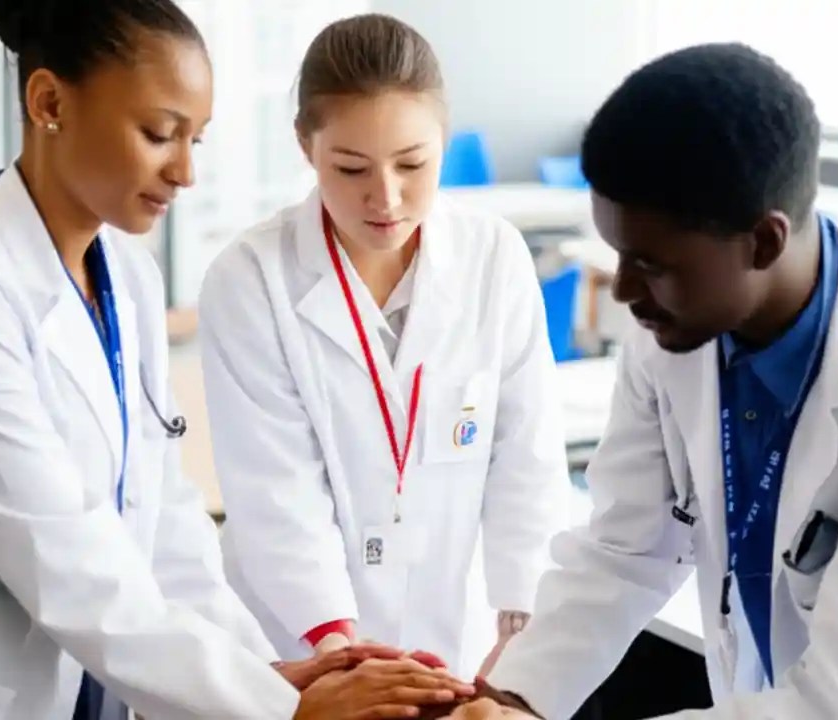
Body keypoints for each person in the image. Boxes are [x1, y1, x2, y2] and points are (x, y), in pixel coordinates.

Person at [0, 2, 474, 718]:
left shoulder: (127, 278)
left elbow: (162, 518)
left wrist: (259, 669)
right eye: (159, 134)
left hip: (65, 685)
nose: (187, 171)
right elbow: (63, 560)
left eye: (197, 138)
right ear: (49, 102)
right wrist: (276, 710)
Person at [467, 43, 838, 719]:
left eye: (650, 264)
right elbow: (624, 550)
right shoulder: (672, 330)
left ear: (764, 242)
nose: (624, 290)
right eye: (620, 255)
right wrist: (516, 697)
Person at [198, 13, 570, 677]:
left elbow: (527, 455)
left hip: (456, 636)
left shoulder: (493, 258)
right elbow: (275, 493)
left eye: (413, 164)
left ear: (442, 141)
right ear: (305, 146)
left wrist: (521, 621)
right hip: (300, 649)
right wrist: (341, 655)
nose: (386, 198)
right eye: (350, 168)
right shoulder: (251, 278)